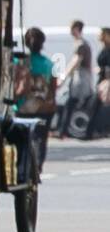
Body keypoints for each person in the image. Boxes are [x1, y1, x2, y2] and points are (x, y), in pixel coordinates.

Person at [14, 27, 56, 166]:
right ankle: (38, 166)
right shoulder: (49, 64)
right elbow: (53, 88)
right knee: (40, 139)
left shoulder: (19, 62)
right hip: (44, 108)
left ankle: (23, 165)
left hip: (22, 108)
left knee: (21, 139)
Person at [57, 20, 95, 139]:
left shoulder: (81, 45)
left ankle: (63, 130)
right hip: (82, 77)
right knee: (76, 103)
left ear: (77, 29)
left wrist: (63, 77)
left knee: (72, 102)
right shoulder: (82, 44)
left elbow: (75, 62)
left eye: (72, 28)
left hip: (81, 79)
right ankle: (65, 130)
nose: (70, 31)